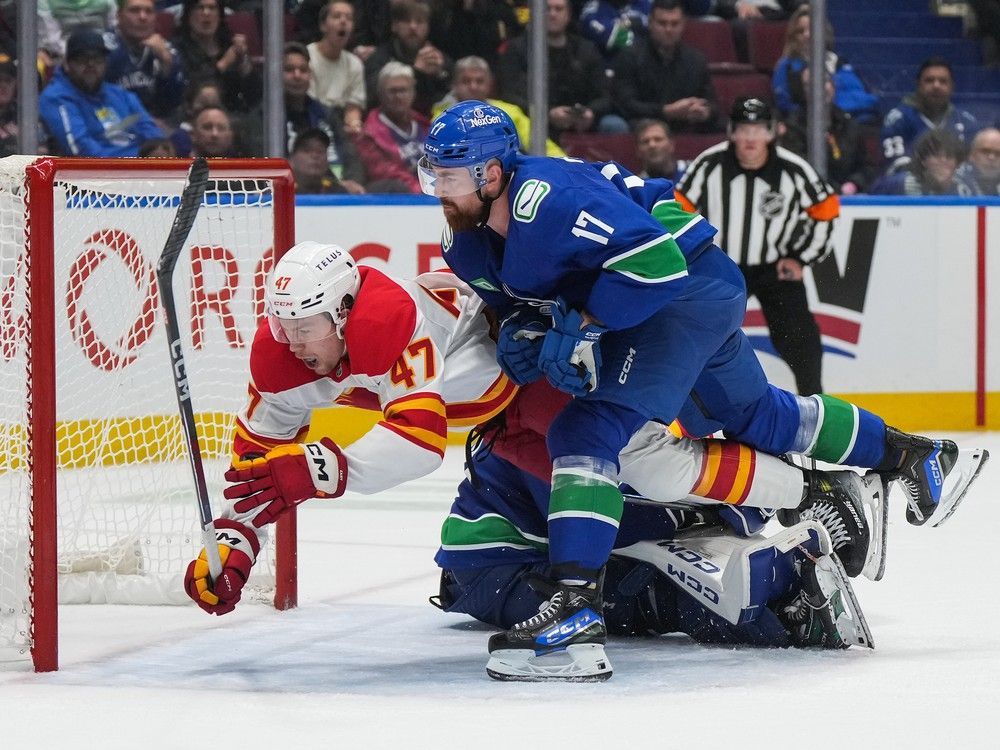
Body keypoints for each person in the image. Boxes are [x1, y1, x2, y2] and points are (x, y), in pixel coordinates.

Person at [416, 98, 988, 680]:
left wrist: (585, 323)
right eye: (432, 173)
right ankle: (912, 455)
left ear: (492, 173)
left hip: (680, 291)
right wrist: (523, 327)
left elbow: (657, 262)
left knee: (584, 431)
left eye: (451, 174)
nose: (439, 186)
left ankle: (572, 607)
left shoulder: (545, 199)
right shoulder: (466, 242)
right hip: (701, 290)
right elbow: (517, 303)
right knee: (756, 413)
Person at [182, 240, 892, 628]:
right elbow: (253, 462)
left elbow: (415, 440)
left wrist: (314, 468)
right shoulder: (291, 358)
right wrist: (235, 541)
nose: (293, 344)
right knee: (472, 569)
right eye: (284, 328)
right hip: (498, 429)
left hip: (549, 382)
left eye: (305, 328)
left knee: (641, 468)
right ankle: (664, 571)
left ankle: (802, 492)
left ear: (344, 311)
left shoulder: (393, 327)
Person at [675, 97, 831, 395]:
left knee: (801, 340)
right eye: (744, 129)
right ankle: (685, 401)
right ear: (732, 131)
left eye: (758, 129)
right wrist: (692, 260)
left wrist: (801, 258)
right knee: (698, 336)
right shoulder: (708, 165)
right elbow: (677, 212)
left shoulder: (794, 170)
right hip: (720, 267)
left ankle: (816, 403)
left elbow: (826, 210)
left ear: (772, 132)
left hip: (775, 269)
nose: (750, 138)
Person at [243, 42, 366, 193]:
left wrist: (352, 181)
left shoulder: (325, 114)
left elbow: (350, 155)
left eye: (303, 70)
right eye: (289, 70)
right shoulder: (263, 117)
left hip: (330, 193)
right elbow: (263, 165)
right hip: (283, 195)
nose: (297, 76)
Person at [497, 0, 622, 139]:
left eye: (558, 9)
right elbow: (510, 95)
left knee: (613, 124)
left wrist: (590, 112)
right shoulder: (517, 49)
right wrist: (547, 114)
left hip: (582, 124)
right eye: (547, 9)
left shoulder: (586, 50)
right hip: (533, 121)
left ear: (568, 15)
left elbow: (605, 96)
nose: (552, 14)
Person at [39, 28, 164, 157]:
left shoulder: (121, 94)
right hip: (90, 174)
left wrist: (155, 152)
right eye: (83, 59)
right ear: (67, 63)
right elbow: (81, 151)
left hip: (139, 168)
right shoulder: (56, 98)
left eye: (97, 58)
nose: (91, 65)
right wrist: (136, 159)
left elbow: (154, 136)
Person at [610, 0, 719, 133]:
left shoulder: (696, 59)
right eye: (662, 23)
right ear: (650, 23)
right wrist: (666, 111)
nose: (668, 29)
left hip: (686, 124)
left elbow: (711, 102)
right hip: (643, 125)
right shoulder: (629, 57)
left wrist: (704, 112)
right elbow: (625, 104)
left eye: (674, 24)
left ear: (683, 24)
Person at [432, 56, 565, 158]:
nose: (473, 86)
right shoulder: (442, 117)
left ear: (490, 84)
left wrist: (564, 163)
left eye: (480, 81)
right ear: (454, 84)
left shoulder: (509, 112)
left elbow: (542, 145)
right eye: (466, 81)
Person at [770, 5, 877, 124]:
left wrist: (833, 108)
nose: (807, 35)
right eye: (800, 31)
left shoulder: (837, 62)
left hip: (844, 125)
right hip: (803, 127)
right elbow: (785, 105)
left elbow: (865, 99)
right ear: (793, 36)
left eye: (812, 29)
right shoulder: (786, 66)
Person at [778, 67, 873, 195]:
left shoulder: (848, 123)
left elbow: (866, 166)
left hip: (850, 201)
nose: (820, 88)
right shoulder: (793, 127)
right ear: (802, 91)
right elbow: (801, 169)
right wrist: (836, 190)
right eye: (810, 84)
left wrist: (854, 184)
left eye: (825, 81)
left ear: (833, 86)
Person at [881, 57, 979, 170]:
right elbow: (897, 165)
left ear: (952, 87)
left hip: (957, 184)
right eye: (929, 80)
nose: (936, 86)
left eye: (943, 81)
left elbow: (975, 166)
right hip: (912, 183)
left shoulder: (965, 121)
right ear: (918, 85)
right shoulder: (898, 119)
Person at [363, 0, 452, 118]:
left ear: (428, 27)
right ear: (394, 26)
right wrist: (415, 72)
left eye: (419, 22)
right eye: (406, 21)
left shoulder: (436, 58)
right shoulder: (380, 57)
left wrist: (441, 74)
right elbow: (372, 95)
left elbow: (451, 95)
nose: (413, 27)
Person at [104, 0, 186, 123]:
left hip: (152, 123)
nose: (143, 17)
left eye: (149, 11)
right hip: (110, 121)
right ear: (119, 16)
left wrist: (167, 63)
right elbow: (91, 96)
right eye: (134, 11)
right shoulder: (103, 48)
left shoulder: (165, 49)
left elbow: (174, 103)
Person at [173, 0, 262, 113]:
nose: (206, 13)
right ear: (188, 15)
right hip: (194, 114)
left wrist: (244, 62)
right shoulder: (177, 49)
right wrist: (223, 64)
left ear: (220, 15)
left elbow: (256, 97)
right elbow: (190, 88)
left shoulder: (229, 46)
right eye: (200, 8)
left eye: (212, 8)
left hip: (233, 115)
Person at [354, 62, 429, 193]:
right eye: (392, 91)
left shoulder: (426, 125)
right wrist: (426, 192)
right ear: (381, 95)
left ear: (413, 93)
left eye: (403, 90)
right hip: (401, 200)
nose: (398, 97)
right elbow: (386, 173)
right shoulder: (368, 135)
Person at [306, 0, 366, 135]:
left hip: (341, 127)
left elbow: (353, 107)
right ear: (323, 25)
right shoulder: (307, 57)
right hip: (313, 122)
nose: (343, 21)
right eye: (337, 16)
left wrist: (354, 125)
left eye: (349, 18)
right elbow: (309, 104)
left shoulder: (354, 63)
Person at [870, 128, 972, 197]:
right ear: (923, 160)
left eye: (949, 156)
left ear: (957, 163)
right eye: (936, 156)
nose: (943, 161)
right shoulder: (896, 184)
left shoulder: (964, 190)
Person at [289, 127, 356, 194]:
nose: (315, 156)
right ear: (292, 160)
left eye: (320, 151)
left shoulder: (338, 192)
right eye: (307, 150)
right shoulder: (282, 191)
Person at [957, 127, 1000, 195]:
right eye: (985, 151)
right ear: (972, 155)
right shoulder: (956, 181)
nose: (992, 157)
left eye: (998, 153)